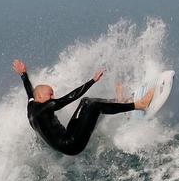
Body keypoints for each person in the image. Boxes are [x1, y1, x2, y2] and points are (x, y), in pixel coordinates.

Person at [12, 60, 153, 156]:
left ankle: (118, 101)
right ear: (41, 97)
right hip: (73, 145)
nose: (54, 97)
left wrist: (23, 74)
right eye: (51, 94)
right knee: (95, 106)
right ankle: (139, 105)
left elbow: (29, 90)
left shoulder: (32, 105)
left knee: (86, 102)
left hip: (68, 137)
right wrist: (92, 80)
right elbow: (70, 97)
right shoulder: (44, 108)